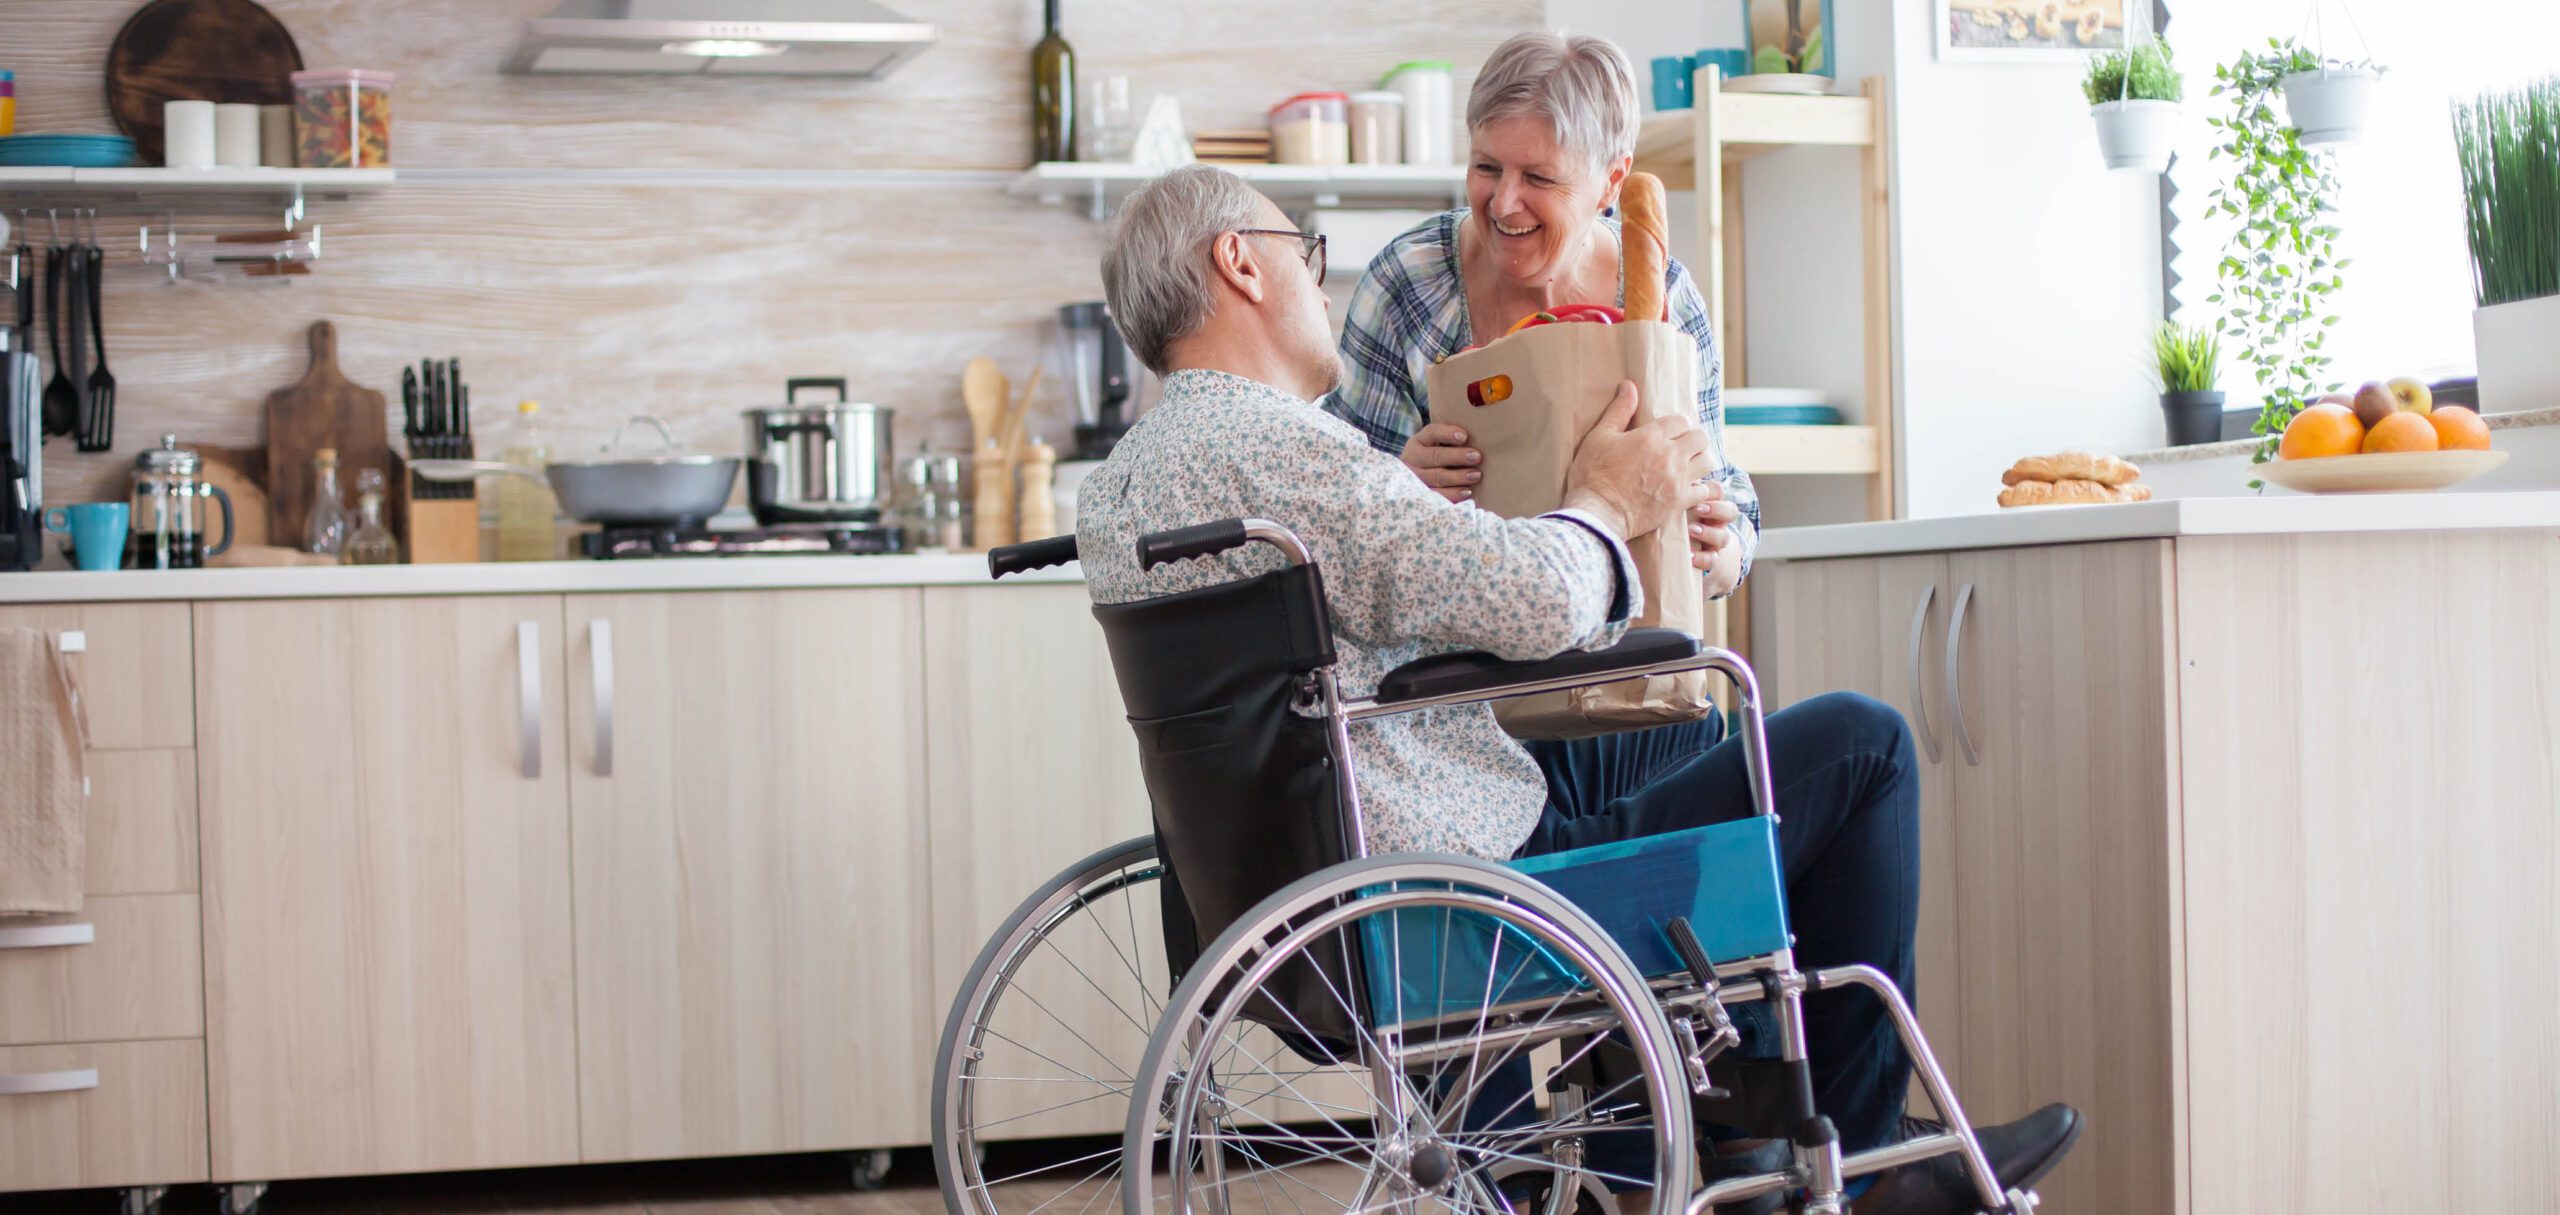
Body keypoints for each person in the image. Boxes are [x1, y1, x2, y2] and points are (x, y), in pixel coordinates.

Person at [1073, 162, 2078, 1215]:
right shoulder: (1286, 452)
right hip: (1461, 902)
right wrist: (1606, 495)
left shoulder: (1129, 481)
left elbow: (1407, 593)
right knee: (1857, 744)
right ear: (1239, 263)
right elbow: (1533, 602)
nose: (1321, 285)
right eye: (1304, 256)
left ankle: (1688, 1143)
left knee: (1677, 728)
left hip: (1293, 911)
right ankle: (1860, 1163)